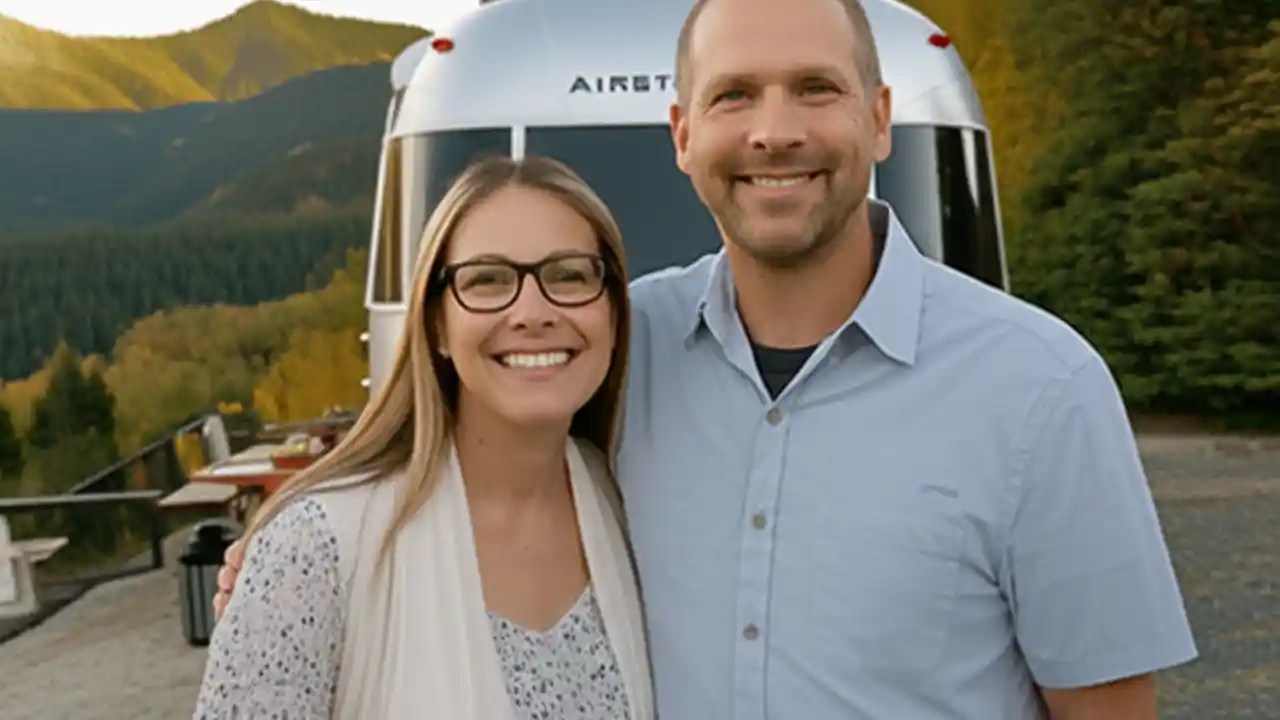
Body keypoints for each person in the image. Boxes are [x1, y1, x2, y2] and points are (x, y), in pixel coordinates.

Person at [216, 0, 1199, 716]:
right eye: (733, 96)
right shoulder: (616, 349)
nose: (772, 131)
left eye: (814, 88)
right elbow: (446, 456)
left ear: (878, 116)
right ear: (683, 135)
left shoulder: (1039, 387)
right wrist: (294, 546)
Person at [193, 155, 654, 719]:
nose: (533, 312)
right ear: (436, 323)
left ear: (613, 309)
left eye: (570, 276)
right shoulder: (318, 548)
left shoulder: (635, 507)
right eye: (487, 280)